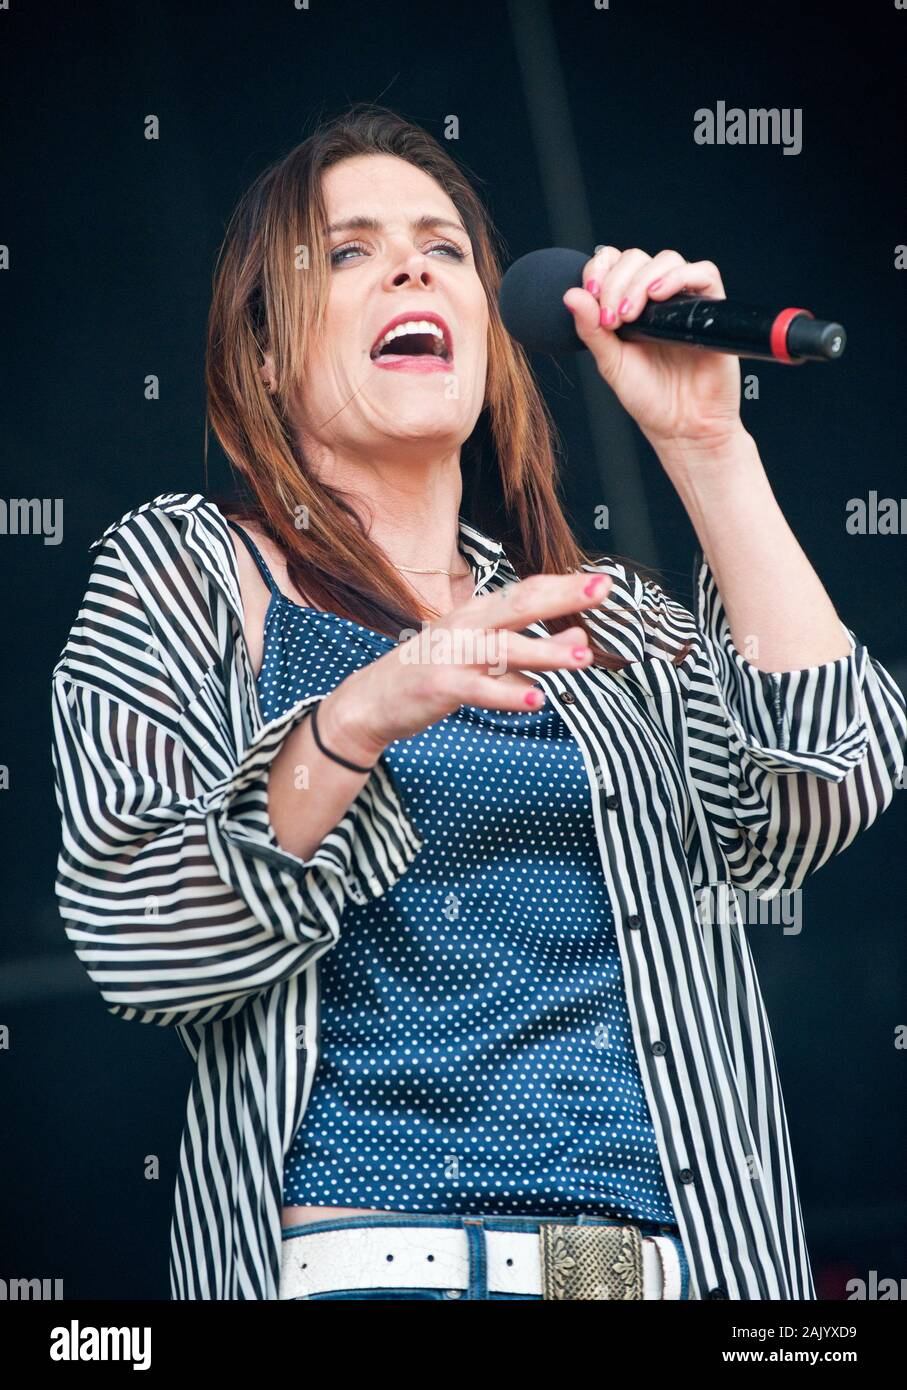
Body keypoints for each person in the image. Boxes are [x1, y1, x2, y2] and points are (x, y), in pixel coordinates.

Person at [51, 103, 906, 1301]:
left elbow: (824, 788)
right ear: (258, 355)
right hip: (366, 1269)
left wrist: (709, 445)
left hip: (639, 1278)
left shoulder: (597, 616)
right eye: (347, 250)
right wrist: (356, 717)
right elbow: (141, 930)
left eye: (443, 247)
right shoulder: (187, 568)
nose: (410, 263)